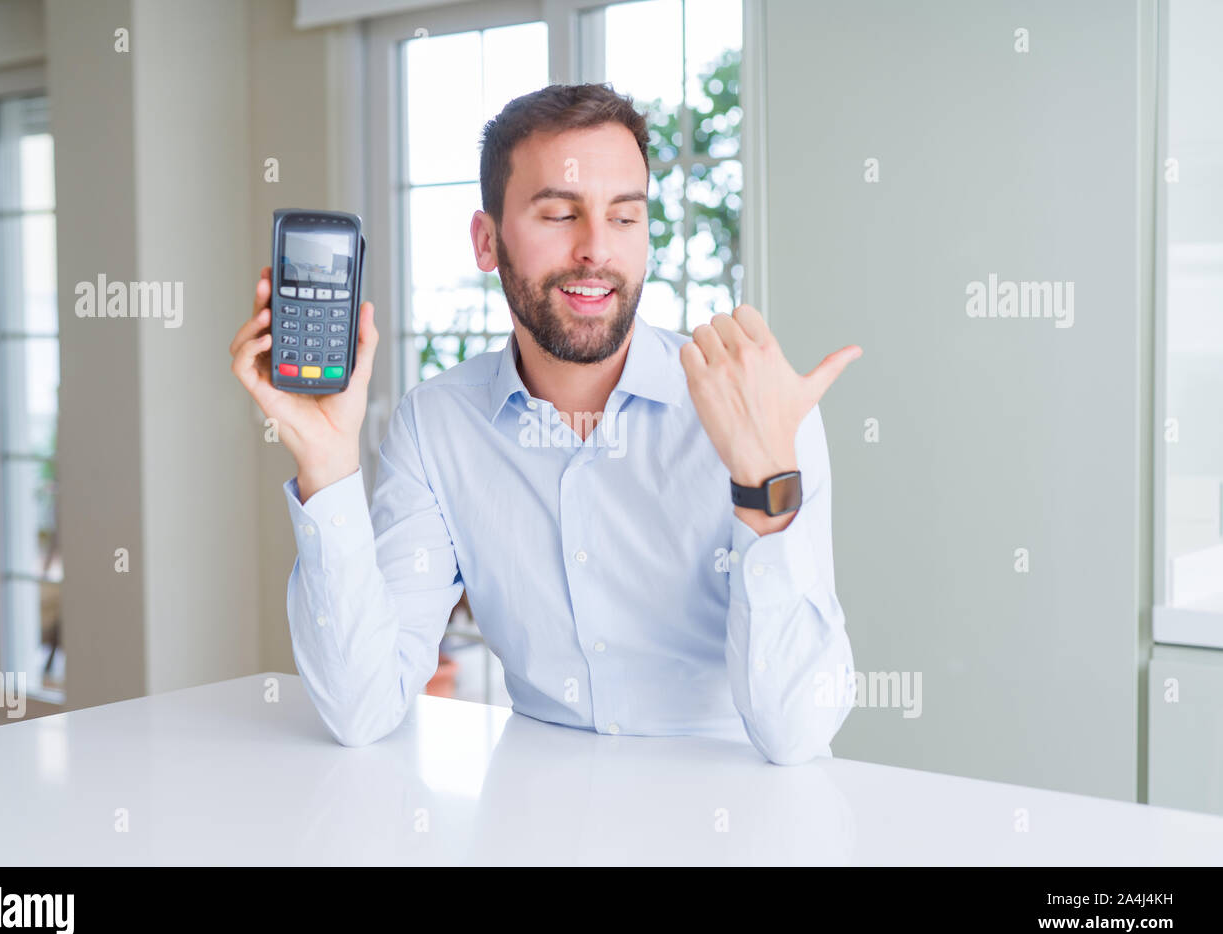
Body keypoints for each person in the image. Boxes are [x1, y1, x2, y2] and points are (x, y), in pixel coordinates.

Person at [229, 83, 862, 764]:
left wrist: (764, 482)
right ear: (486, 239)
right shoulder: (437, 425)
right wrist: (325, 463)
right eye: (560, 213)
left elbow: (798, 732)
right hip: (539, 821)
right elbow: (361, 706)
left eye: (625, 218)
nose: (596, 249)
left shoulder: (758, 406)